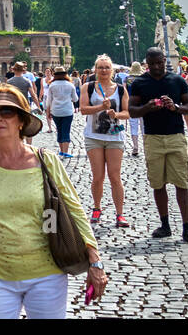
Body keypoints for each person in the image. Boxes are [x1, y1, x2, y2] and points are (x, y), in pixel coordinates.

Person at [0, 86, 104, 319]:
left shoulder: (46, 161)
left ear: (21, 121)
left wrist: (94, 261)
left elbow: (75, 210)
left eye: (6, 111)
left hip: (47, 273)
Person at [128, 47, 188, 244]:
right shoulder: (139, 83)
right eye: (153, 64)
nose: (157, 67)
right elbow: (132, 111)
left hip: (175, 135)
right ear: (147, 64)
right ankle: (165, 224)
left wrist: (175, 107)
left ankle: (187, 227)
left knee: (181, 182)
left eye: (160, 62)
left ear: (164, 60)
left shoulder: (176, 80)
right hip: (153, 138)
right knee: (158, 183)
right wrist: (147, 107)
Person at [80, 55, 129, 227]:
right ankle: (96, 207)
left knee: (115, 176)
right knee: (98, 176)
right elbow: (83, 109)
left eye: (107, 67)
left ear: (112, 70)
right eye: (100, 67)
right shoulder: (88, 87)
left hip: (115, 136)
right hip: (94, 136)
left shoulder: (121, 89)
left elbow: (127, 112)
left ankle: (120, 214)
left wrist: (116, 114)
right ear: (95, 69)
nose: (103, 71)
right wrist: (101, 107)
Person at [44, 66, 78, 158]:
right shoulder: (70, 85)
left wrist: (48, 112)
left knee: (59, 130)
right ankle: (66, 151)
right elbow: (75, 99)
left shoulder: (52, 85)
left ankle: (62, 151)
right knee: (66, 130)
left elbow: (49, 101)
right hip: (67, 110)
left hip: (56, 111)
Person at [125, 61, 145, 156]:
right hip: (143, 105)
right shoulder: (144, 78)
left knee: (133, 126)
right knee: (144, 126)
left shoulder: (127, 79)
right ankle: (146, 146)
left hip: (132, 105)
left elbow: (125, 93)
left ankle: (135, 146)